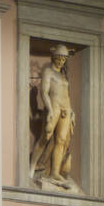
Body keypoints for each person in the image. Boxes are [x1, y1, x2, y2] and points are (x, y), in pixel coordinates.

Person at [30, 42, 75, 188]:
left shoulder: (63, 75)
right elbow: (44, 92)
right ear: (54, 57)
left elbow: (66, 95)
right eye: (59, 58)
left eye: (63, 59)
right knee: (46, 135)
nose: (61, 61)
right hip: (54, 107)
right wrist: (49, 109)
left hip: (66, 108)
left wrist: (72, 111)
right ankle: (32, 166)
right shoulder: (48, 72)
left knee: (61, 140)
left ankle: (54, 172)